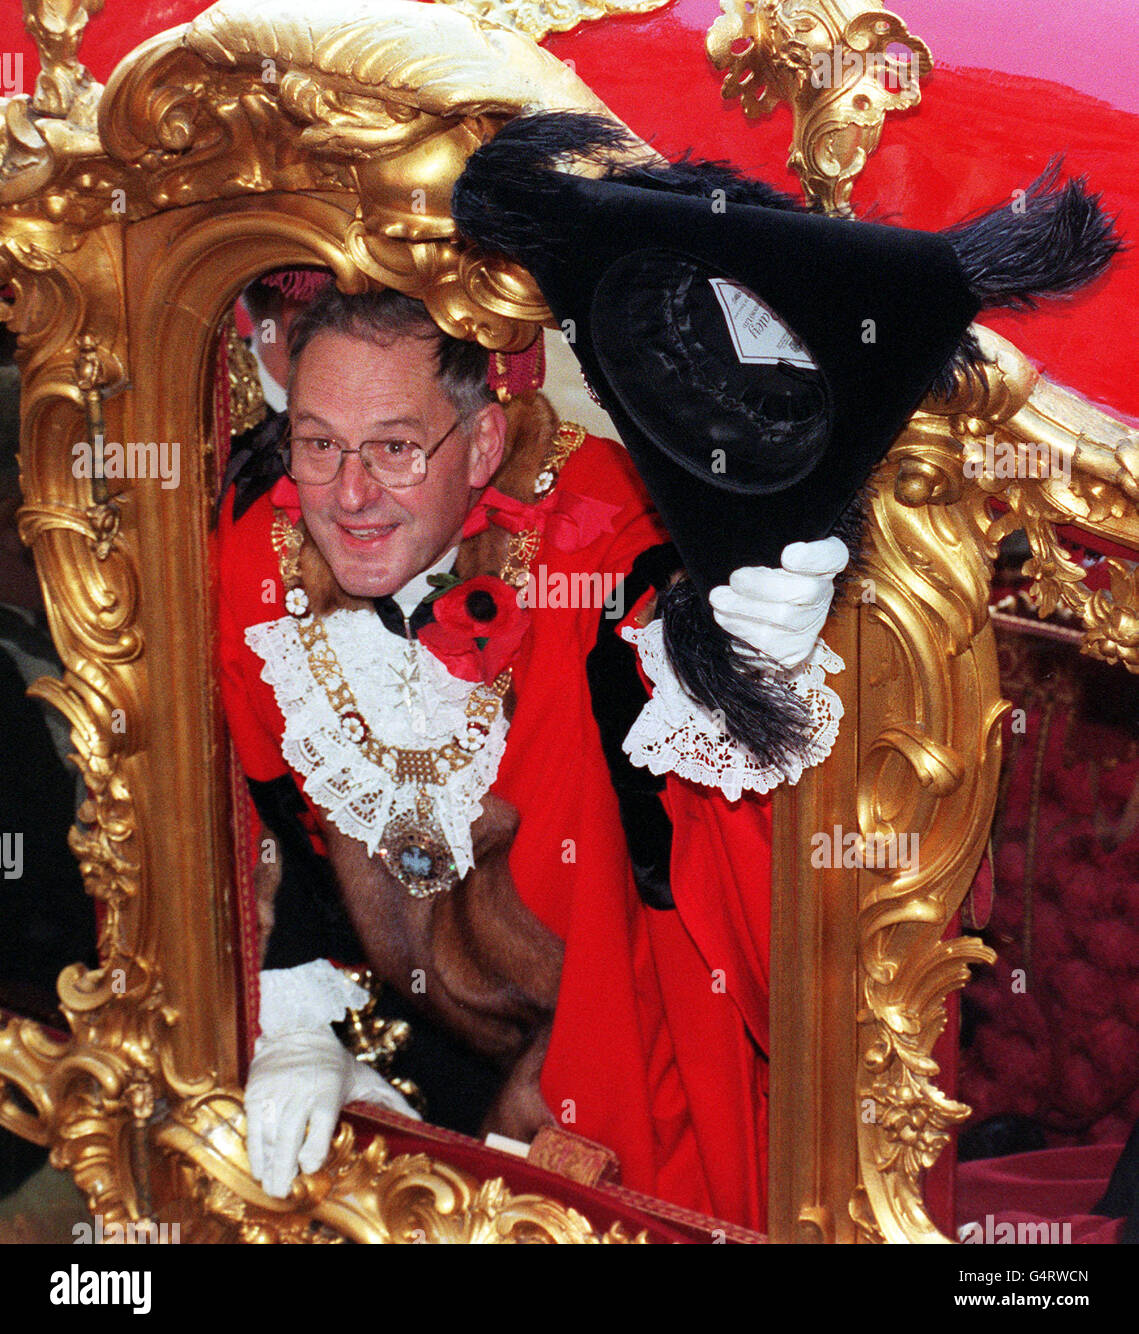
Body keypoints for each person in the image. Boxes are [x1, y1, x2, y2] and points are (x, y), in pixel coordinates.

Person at [215, 283, 848, 1229]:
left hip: (607, 1071)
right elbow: (255, 821)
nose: (348, 496)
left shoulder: (610, 542)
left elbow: (724, 865)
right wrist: (304, 1031)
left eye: (394, 447)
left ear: (481, 445)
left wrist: (749, 659)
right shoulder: (260, 555)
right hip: (386, 1044)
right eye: (318, 445)